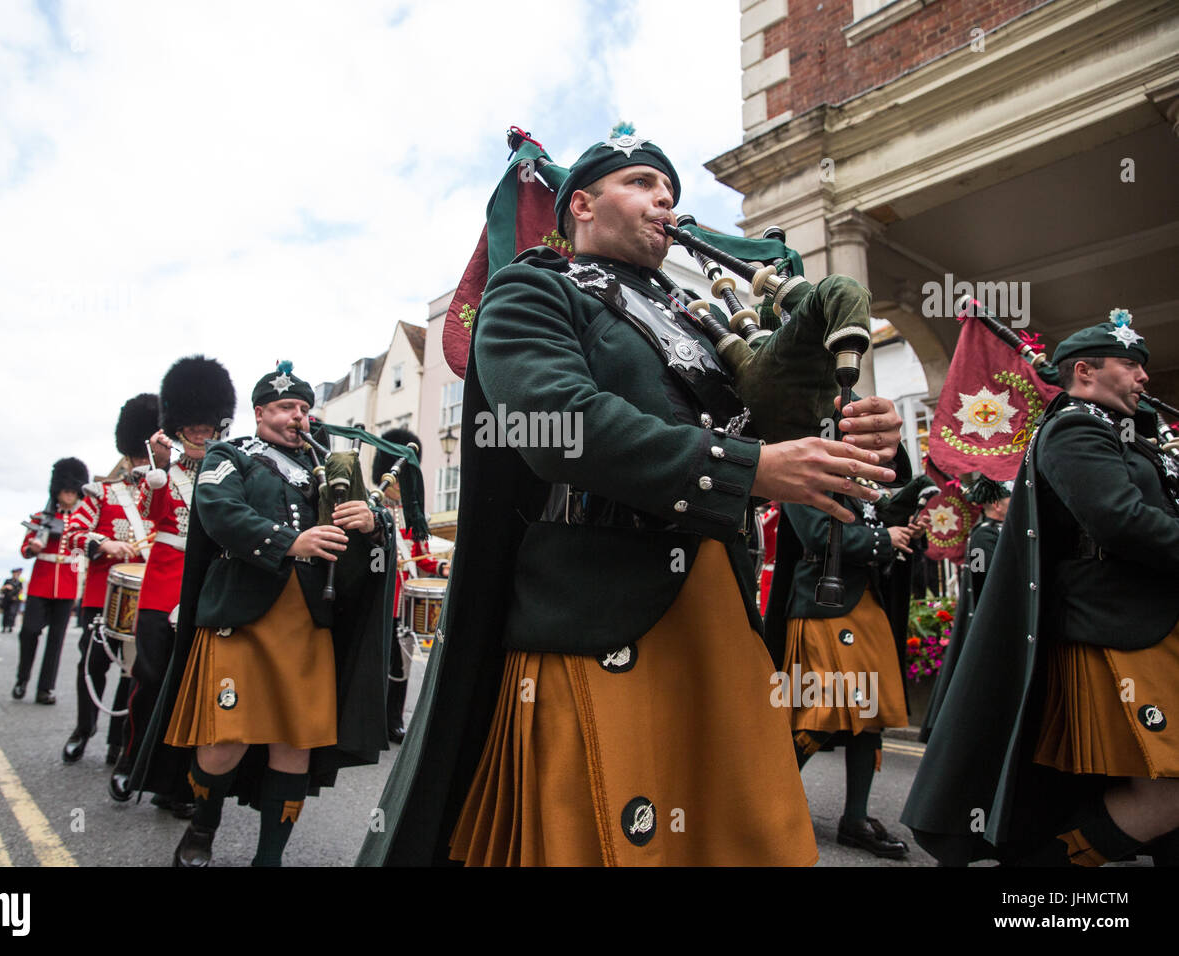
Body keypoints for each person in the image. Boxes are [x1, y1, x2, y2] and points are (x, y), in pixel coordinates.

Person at [357, 133, 910, 866]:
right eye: (645, 184)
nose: (666, 202)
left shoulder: (693, 314)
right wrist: (749, 470)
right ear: (580, 204)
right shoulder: (533, 289)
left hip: (714, 604)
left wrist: (839, 411)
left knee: (743, 843)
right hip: (596, 606)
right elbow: (557, 426)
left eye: (672, 192)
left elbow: (763, 413)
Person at [902, 310, 1179, 866]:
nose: (1143, 378)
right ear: (1085, 371)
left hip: (1144, 621)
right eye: (1130, 365)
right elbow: (1119, 519)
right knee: (1168, 789)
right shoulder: (1076, 428)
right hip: (1118, 627)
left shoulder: (1123, 433)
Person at [135, 360, 396, 867]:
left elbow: (366, 545)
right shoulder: (229, 456)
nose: (295, 416)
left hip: (308, 624)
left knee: (293, 744)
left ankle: (269, 859)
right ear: (259, 412)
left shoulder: (328, 469)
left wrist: (371, 522)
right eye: (283, 408)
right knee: (225, 740)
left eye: (302, 407)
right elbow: (217, 510)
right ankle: (201, 831)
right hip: (243, 618)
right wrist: (290, 542)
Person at [764, 488, 925, 860]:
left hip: (864, 602)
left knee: (869, 716)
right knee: (826, 712)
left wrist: (903, 529)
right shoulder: (804, 472)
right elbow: (818, 536)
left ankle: (855, 820)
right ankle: (766, 801)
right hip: (823, 603)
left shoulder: (856, 483)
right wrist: (884, 538)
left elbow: (869, 528)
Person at [109, 357, 235, 808]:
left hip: (207, 588)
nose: (201, 436)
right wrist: (160, 467)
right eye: (193, 428)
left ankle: (179, 784)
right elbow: (149, 512)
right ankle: (132, 762)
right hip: (163, 586)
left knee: (193, 687)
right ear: (178, 428)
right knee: (150, 677)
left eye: (208, 428)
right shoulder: (164, 474)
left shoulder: (227, 474)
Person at [61, 393, 160, 765]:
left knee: (134, 672)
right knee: (93, 663)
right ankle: (82, 730)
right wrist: (104, 543)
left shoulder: (163, 495)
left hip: (146, 595)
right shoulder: (102, 493)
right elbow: (75, 531)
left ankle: (118, 741)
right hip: (102, 596)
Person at [918, 476, 1009, 743]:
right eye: (1008, 499)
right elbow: (982, 575)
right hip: (984, 618)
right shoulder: (983, 535)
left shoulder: (1001, 532)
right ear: (996, 505)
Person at [372, 427, 447, 743]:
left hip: (405, 603)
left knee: (400, 663)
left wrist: (442, 566)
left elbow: (422, 557)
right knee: (375, 662)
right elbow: (372, 558)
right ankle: (371, 720)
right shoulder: (372, 505)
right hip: (382, 598)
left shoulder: (413, 514)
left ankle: (393, 720)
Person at [15, 457, 89, 704]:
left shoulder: (84, 520)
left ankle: (45, 688)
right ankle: (22, 678)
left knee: (55, 641)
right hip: (41, 582)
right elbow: (25, 549)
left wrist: (78, 577)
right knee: (29, 632)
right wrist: (33, 547)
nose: (68, 495)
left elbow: (82, 553)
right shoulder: (40, 517)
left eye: (72, 491)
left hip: (66, 586)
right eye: (64, 490)